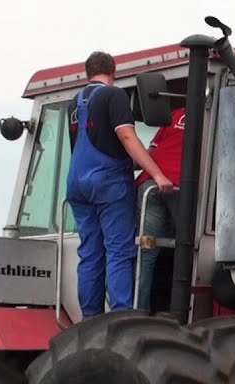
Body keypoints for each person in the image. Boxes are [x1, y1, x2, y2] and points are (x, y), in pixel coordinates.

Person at [65, 51, 173, 318]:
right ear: (114, 72)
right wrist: (157, 173)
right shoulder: (114, 96)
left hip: (78, 183)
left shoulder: (74, 103)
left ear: (87, 72)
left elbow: (90, 145)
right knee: (119, 251)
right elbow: (125, 136)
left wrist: (137, 161)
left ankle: (90, 318)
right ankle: (122, 316)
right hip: (108, 183)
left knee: (90, 253)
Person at [133, 105, 186, 311]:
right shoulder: (217, 116)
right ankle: (179, 315)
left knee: (146, 252)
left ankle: (139, 315)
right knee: (190, 250)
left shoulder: (174, 114)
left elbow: (151, 152)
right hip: (181, 187)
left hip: (150, 186)